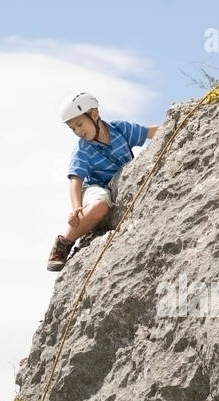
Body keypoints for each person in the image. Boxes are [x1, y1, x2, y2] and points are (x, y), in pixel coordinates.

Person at [47, 92, 158, 271]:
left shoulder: (120, 129)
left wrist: (178, 122)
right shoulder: (82, 150)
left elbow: (149, 132)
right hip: (95, 187)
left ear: (95, 114)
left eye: (79, 124)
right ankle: (64, 243)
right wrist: (77, 207)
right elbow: (76, 181)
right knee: (100, 206)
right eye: (73, 129)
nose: (78, 131)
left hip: (119, 181)